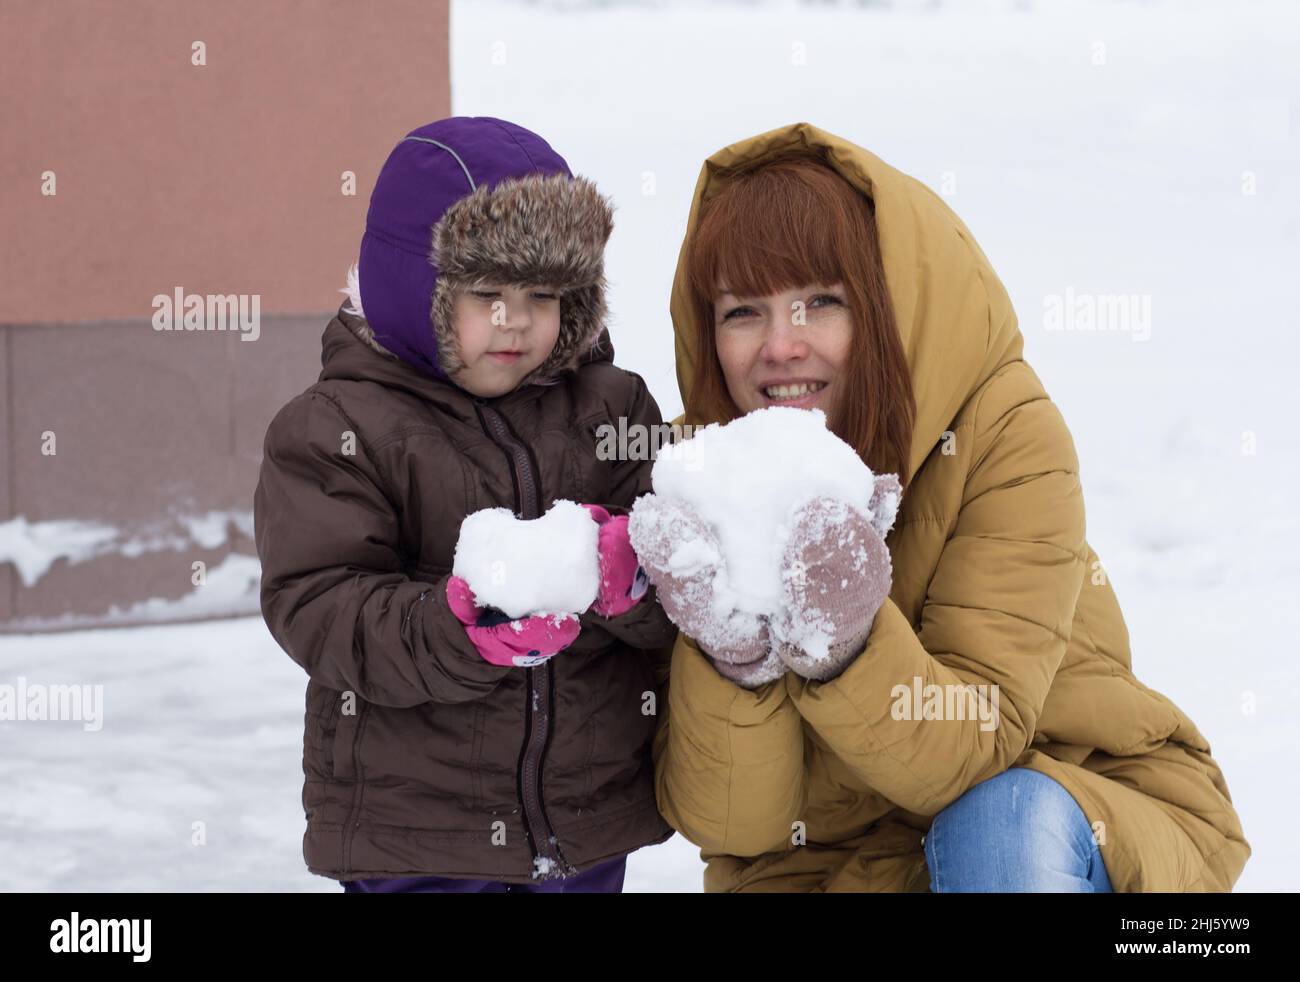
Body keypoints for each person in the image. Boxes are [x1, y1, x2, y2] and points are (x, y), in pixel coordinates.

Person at [636, 122, 1250, 893]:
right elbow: (732, 828)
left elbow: (971, 753)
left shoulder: (1004, 432)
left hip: (1057, 808)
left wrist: (846, 649)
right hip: (832, 867)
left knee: (989, 831)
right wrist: (733, 657)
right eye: (741, 312)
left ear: (886, 309)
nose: (780, 347)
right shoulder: (705, 486)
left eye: (821, 302)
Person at [253, 116, 676, 893]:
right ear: (415, 288)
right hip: (418, 834)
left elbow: (686, 582)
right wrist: (454, 631)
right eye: (485, 294)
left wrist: (639, 578)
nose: (515, 323)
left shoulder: (613, 409)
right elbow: (318, 604)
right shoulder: (339, 429)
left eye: (543, 295)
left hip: (584, 821)